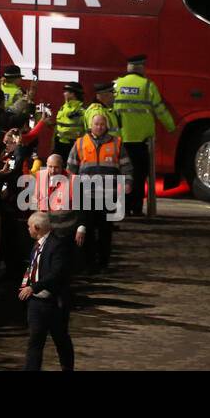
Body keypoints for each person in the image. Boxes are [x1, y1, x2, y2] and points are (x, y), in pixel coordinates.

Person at [67, 113, 132, 272]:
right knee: (85, 229)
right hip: (86, 194)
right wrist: (70, 188)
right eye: (97, 124)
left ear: (107, 126)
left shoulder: (117, 143)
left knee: (105, 230)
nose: (99, 127)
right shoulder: (80, 143)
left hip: (108, 195)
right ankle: (88, 264)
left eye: (102, 124)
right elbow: (71, 168)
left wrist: (128, 182)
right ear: (91, 125)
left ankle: (103, 264)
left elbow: (126, 166)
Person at [111, 55, 175, 217]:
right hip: (141, 140)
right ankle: (136, 207)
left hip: (120, 140)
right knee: (139, 176)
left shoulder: (116, 85)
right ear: (141, 68)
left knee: (121, 175)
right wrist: (171, 126)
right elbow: (159, 109)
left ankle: (121, 208)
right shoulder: (147, 86)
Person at [19, 211, 74, 371]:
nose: (28, 229)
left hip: (53, 303)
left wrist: (33, 287)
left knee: (61, 339)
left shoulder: (57, 245)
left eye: (29, 227)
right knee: (35, 342)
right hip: (36, 302)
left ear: (37, 228)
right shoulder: (37, 244)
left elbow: (56, 274)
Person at [51, 82, 88, 162]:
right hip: (59, 144)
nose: (63, 94)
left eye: (66, 92)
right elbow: (59, 126)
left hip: (74, 145)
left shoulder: (82, 110)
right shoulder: (63, 107)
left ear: (72, 94)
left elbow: (87, 130)